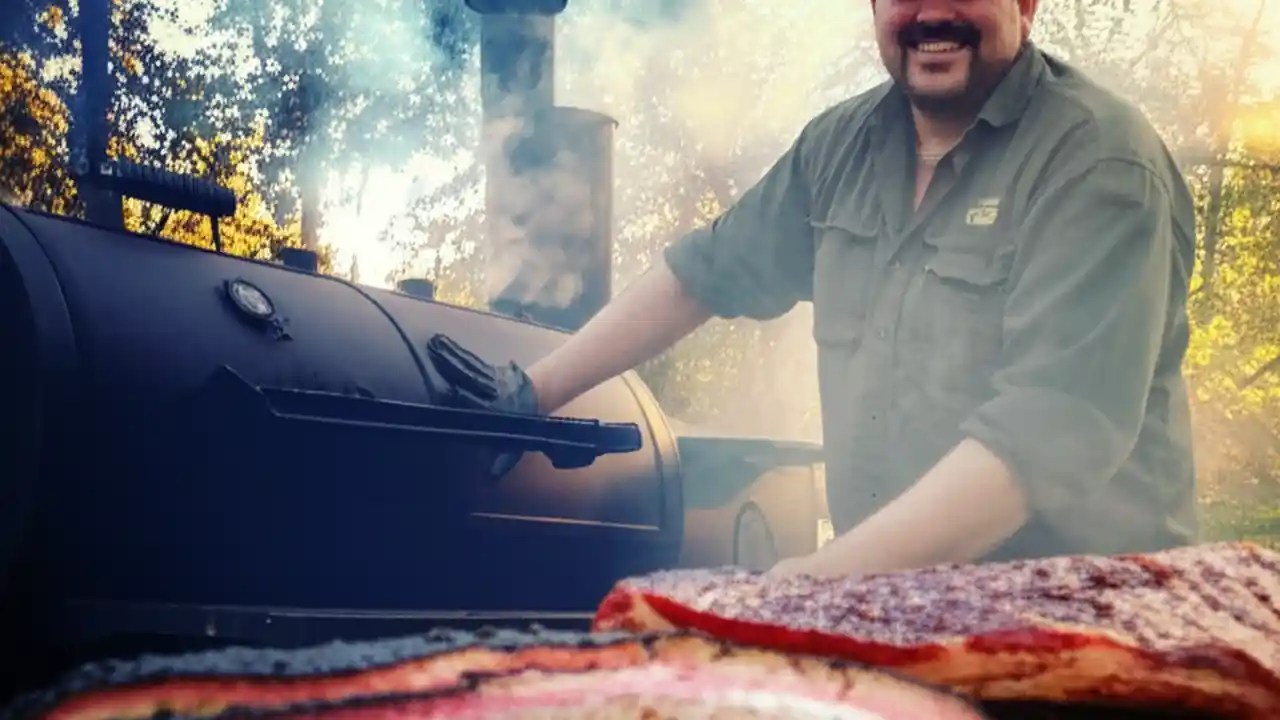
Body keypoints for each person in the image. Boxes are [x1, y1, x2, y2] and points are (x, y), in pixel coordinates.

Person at [520, 0, 1200, 578]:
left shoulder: (1100, 162)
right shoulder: (839, 147)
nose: (932, 13)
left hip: (1086, 619)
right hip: (887, 608)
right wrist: (530, 392)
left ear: (1025, 6)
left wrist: (823, 578)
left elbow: (1044, 435)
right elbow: (703, 273)